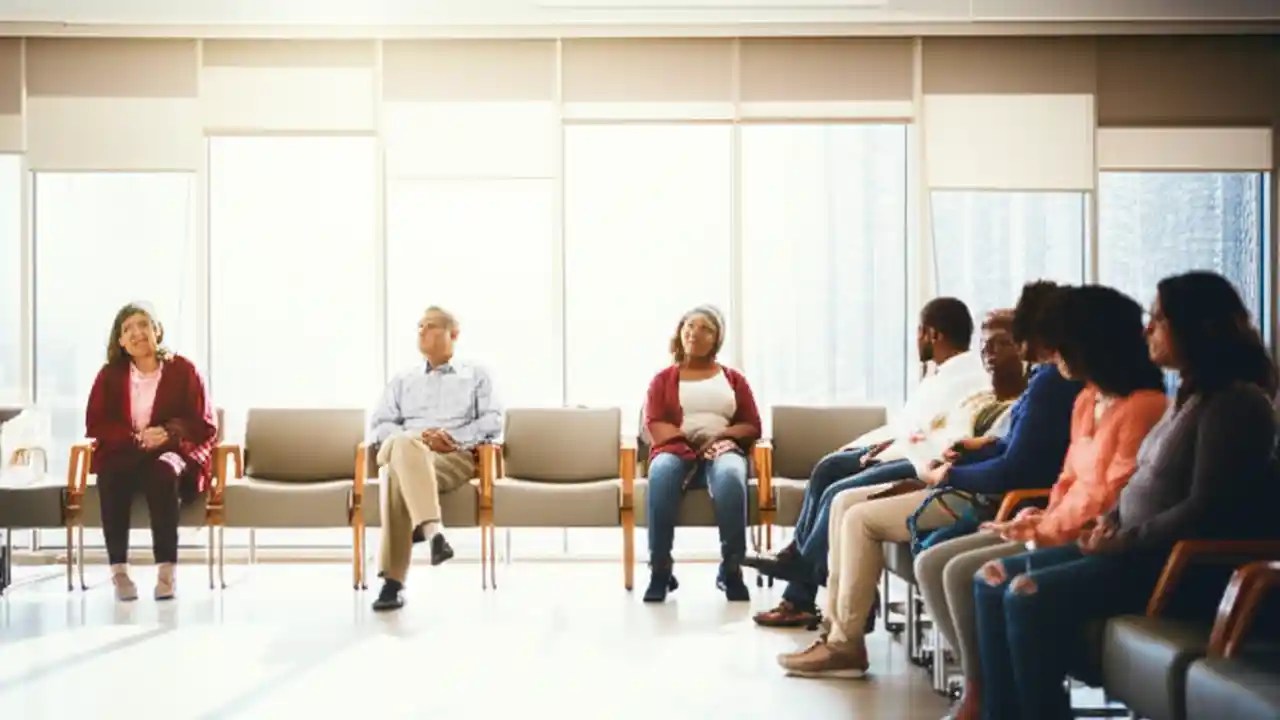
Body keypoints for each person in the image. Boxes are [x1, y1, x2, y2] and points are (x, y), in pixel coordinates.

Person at [973, 272, 1279, 720]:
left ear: (1195, 327)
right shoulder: (1189, 396)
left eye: (1158, 319)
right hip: (1129, 552)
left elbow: (1205, 509)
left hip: (1171, 566)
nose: (1147, 329)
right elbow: (1141, 483)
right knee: (995, 575)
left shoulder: (1236, 404)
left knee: (1026, 589)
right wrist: (1110, 521)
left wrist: (1124, 538)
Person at [776, 281, 1082, 679]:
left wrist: (952, 472)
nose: (989, 352)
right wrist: (976, 447)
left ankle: (844, 643)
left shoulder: (1048, 384)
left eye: (1007, 338)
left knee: (857, 516)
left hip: (984, 496)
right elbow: (1011, 446)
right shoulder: (1042, 381)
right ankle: (835, 631)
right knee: (842, 501)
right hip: (970, 482)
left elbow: (1016, 469)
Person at [914, 286, 1168, 720]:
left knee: (1007, 582)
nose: (1053, 354)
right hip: (1066, 528)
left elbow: (1109, 495)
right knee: (986, 575)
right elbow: (1070, 478)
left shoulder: (1143, 406)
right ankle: (997, 707)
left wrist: (1043, 528)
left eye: (1062, 343)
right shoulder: (1087, 399)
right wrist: (1041, 514)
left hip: (1100, 543)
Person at [751, 309, 1027, 628]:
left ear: (931, 334)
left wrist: (912, 455)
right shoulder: (944, 376)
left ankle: (807, 577)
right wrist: (867, 448)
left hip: (924, 462)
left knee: (839, 492)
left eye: (1000, 345)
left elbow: (942, 435)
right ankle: (800, 575)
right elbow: (913, 425)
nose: (988, 355)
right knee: (829, 468)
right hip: (916, 454)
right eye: (985, 346)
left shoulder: (971, 380)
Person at [369, 306, 502, 611]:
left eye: (430, 326)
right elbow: (381, 425)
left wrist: (452, 439)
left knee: (394, 473)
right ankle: (434, 532)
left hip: (452, 455)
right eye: (419, 326)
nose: (422, 331)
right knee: (402, 445)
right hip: (407, 446)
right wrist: (419, 437)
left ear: (453, 334)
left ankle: (392, 583)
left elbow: (493, 422)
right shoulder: (403, 379)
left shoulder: (476, 376)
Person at [85, 302, 217, 602]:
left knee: (163, 472)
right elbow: (96, 422)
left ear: (157, 330)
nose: (137, 333)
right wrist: (133, 437)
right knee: (110, 473)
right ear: (120, 341)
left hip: (171, 451)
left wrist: (169, 433)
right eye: (127, 329)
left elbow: (204, 423)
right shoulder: (110, 375)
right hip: (126, 451)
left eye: (143, 324)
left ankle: (166, 572)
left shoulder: (183, 370)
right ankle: (119, 571)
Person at [642, 305, 761, 603]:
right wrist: (686, 446)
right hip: (674, 449)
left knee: (733, 477)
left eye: (705, 328)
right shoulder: (662, 380)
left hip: (722, 449)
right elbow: (653, 421)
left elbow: (751, 424)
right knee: (660, 473)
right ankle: (660, 570)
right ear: (680, 333)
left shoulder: (733, 379)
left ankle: (731, 570)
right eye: (689, 326)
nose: (694, 333)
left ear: (717, 338)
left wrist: (723, 438)